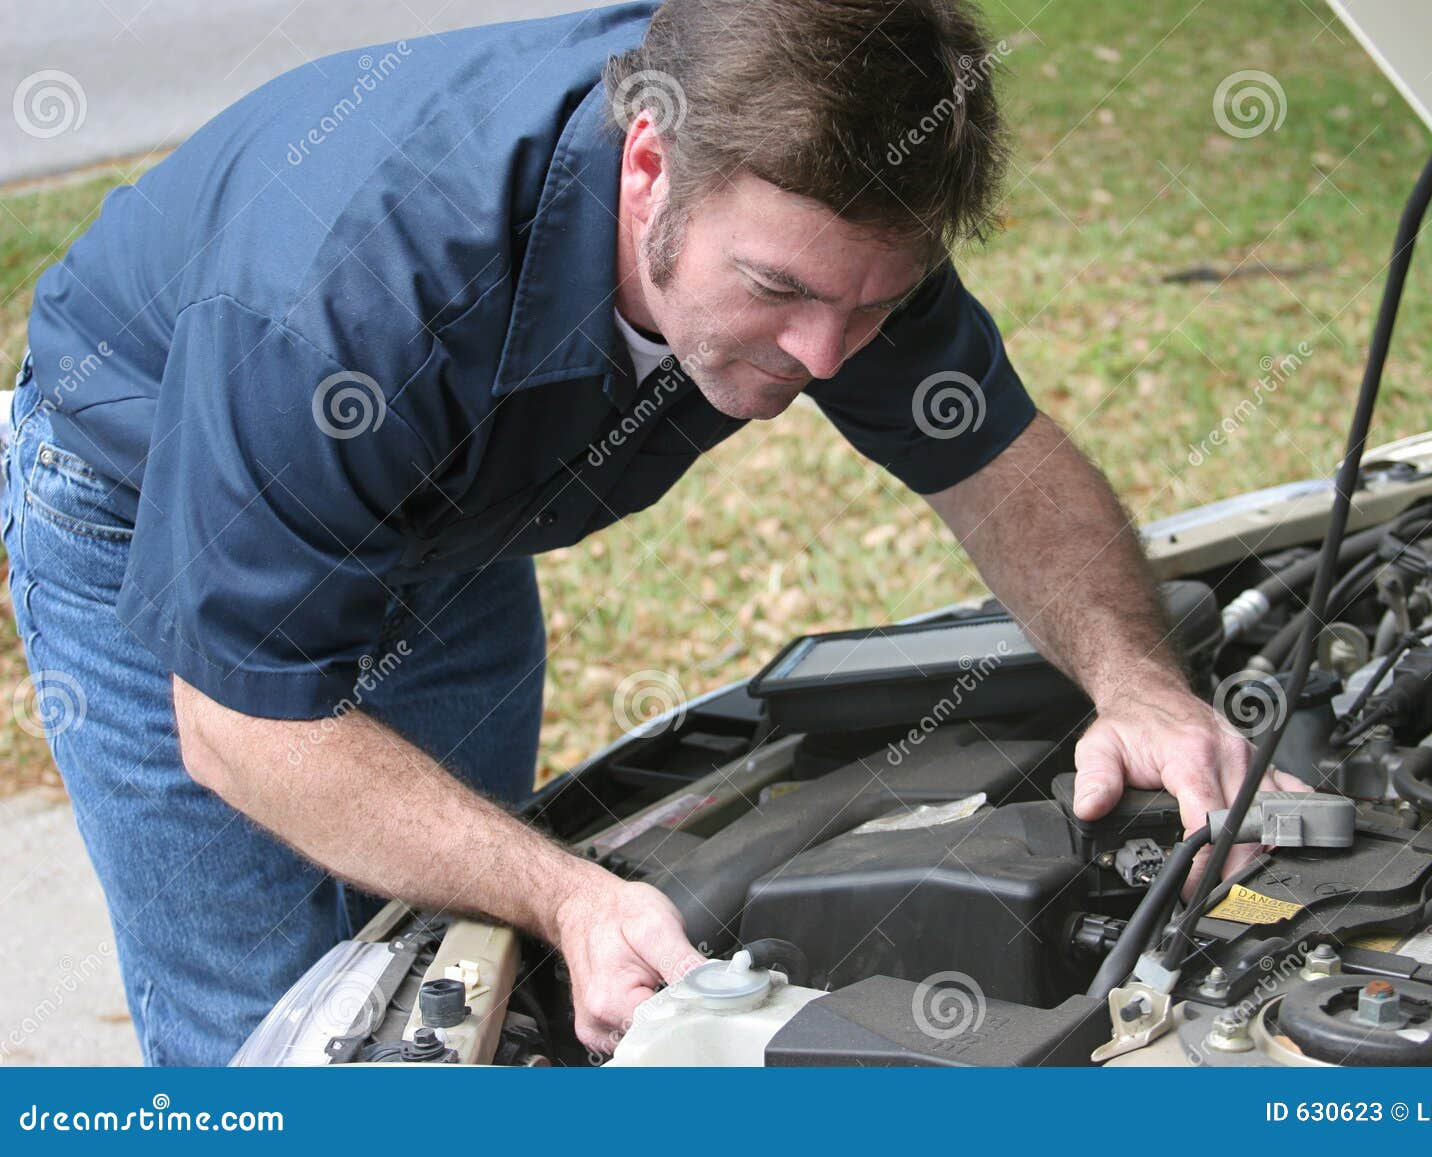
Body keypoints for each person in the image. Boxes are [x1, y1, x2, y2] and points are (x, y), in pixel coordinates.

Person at [8, 0, 1299, 1065]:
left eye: (872, 305)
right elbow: (246, 727)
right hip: (143, 498)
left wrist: (1139, 687)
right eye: (777, 291)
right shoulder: (346, 294)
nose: (823, 354)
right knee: (280, 1033)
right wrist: (574, 894)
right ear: (646, 168)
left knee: (452, 965)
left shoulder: (822, 212)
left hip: (440, 525)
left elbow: (992, 457)